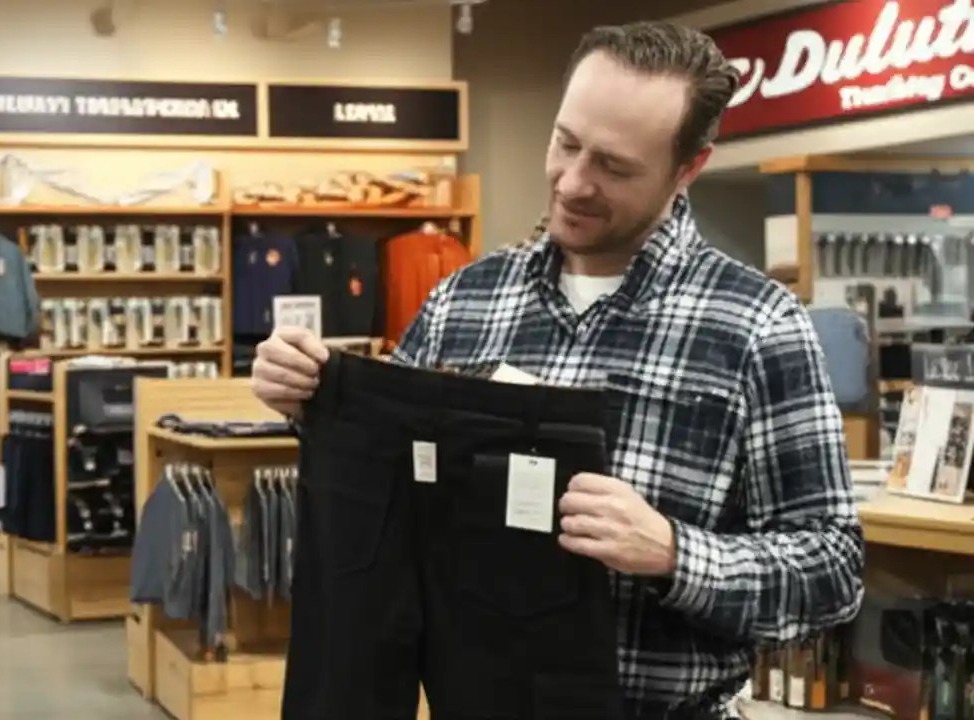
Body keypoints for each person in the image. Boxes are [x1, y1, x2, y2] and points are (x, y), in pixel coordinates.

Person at [251, 20, 864, 719]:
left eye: (615, 166)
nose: (573, 183)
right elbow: (400, 494)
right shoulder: (464, 301)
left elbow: (832, 572)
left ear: (687, 168)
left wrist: (674, 552)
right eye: (566, 143)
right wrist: (310, 405)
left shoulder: (758, 326)